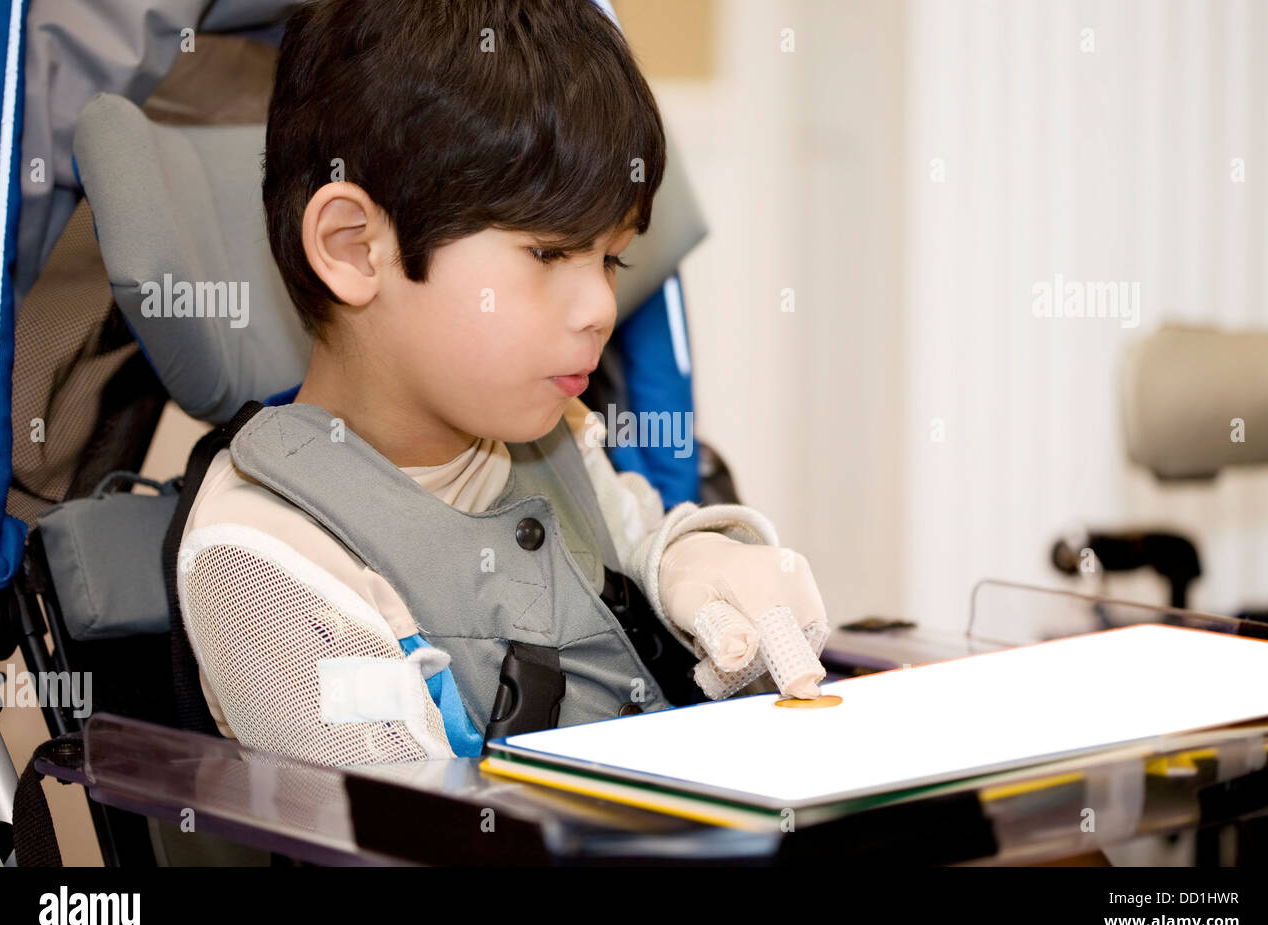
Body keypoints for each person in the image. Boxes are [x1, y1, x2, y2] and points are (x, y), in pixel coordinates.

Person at [176, 0, 830, 766]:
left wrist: (691, 564)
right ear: (356, 249)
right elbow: (403, 830)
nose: (600, 309)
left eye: (611, 259)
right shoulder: (262, 561)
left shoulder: (555, 433)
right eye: (550, 256)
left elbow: (632, 544)